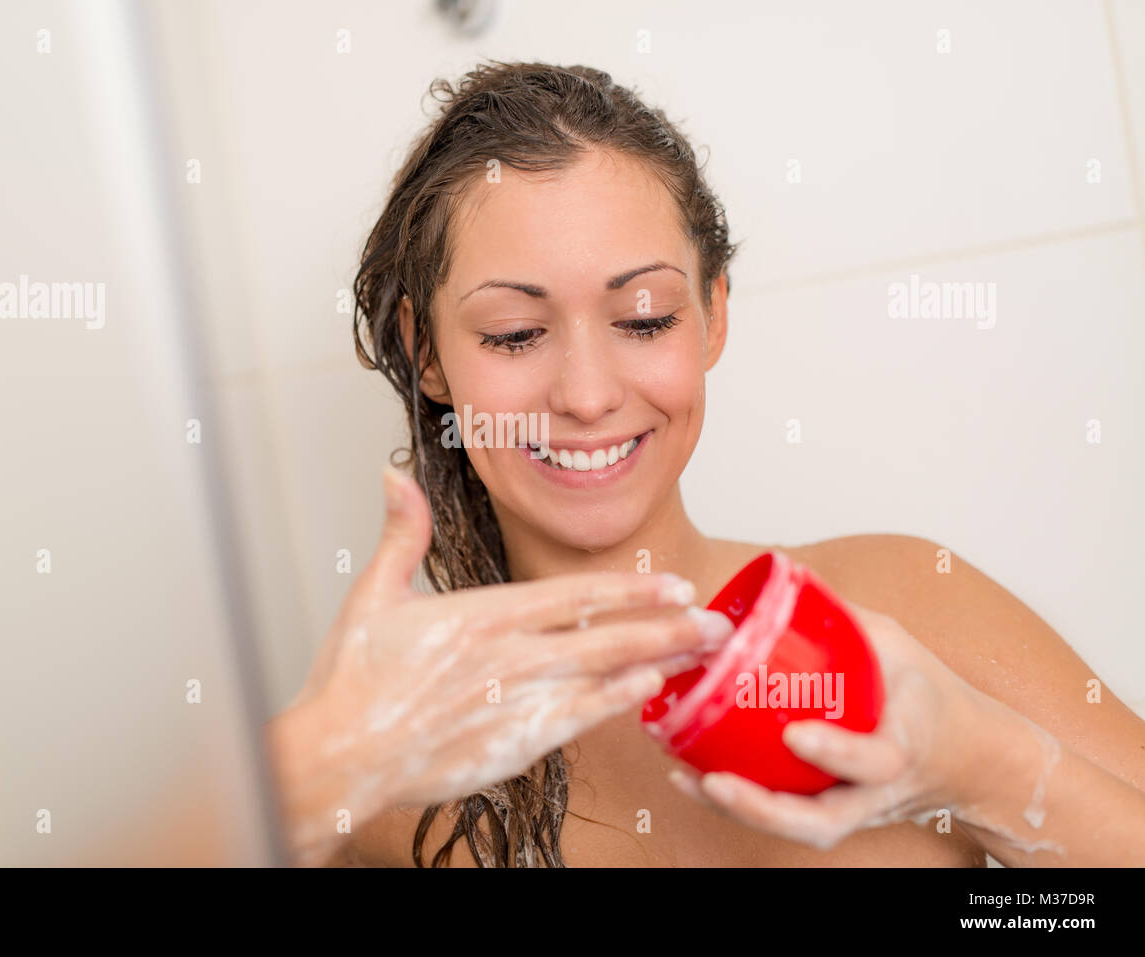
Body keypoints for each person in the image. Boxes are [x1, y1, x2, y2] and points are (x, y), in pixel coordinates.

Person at [267, 60, 1145, 867]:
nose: (584, 394)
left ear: (713, 315)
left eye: (644, 317)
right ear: (426, 352)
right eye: (515, 333)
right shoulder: (392, 780)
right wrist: (316, 760)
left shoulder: (906, 611)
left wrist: (984, 770)